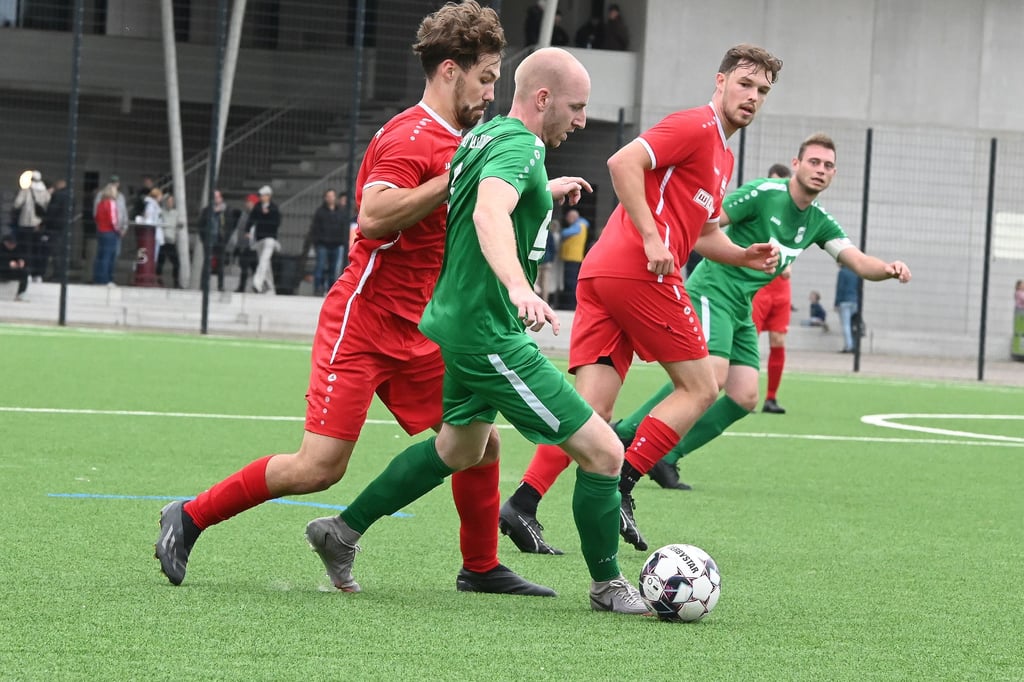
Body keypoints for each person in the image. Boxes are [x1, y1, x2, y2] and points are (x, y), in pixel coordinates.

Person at [155, 1, 551, 599]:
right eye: (485, 77)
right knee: (320, 467)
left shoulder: (462, 139)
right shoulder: (410, 135)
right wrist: (454, 177)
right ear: (450, 70)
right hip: (363, 322)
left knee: (479, 441)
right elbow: (371, 214)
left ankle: (480, 566)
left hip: (421, 328)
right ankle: (188, 516)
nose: (492, 92)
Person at [303, 46, 648, 614]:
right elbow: (488, 212)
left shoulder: (486, 139)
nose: (583, 120)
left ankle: (341, 531)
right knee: (605, 455)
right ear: (543, 99)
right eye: (578, 107)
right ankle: (608, 586)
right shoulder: (519, 145)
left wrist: (543, 191)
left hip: (454, 325)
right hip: (490, 332)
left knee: (460, 447)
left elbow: (475, 194)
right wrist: (518, 286)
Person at [499, 44, 785, 555]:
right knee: (700, 387)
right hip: (640, 272)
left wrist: (743, 256)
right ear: (720, 82)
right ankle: (624, 483)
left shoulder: (723, 153)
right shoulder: (696, 126)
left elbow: (703, 233)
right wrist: (653, 238)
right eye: (744, 84)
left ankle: (523, 503)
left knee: (590, 410)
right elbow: (622, 161)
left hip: (605, 273)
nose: (753, 97)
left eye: (762, 90)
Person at [601, 134, 911, 515]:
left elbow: (858, 261)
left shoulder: (816, 221)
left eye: (828, 166)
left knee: (744, 397)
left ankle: (668, 453)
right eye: (814, 162)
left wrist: (889, 269)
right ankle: (625, 434)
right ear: (796, 165)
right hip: (713, 289)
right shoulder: (764, 192)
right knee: (709, 380)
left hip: (742, 306)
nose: (820, 170)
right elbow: (707, 223)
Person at [751, 162, 793, 415]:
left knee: (778, 339)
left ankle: (771, 398)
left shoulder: (796, 213)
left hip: (781, 289)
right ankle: (747, 396)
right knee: (750, 341)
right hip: (759, 285)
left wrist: (787, 266)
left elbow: (793, 254)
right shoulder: (760, 209)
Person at [309, 189, 348, 296]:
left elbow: (343, 227)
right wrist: (317, 242)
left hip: (336, 243)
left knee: (333, 268)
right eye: (328, 196)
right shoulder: (320, 212)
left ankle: (331, 290)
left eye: (332, 196)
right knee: (320, 266)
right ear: (325, 198)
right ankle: (318, 289)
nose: (330, 198)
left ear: (335, 197)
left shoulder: (341, 212)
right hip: (323, 243)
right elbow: (315, 228)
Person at [12, 170, 49, 282]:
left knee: (26, 249)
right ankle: (37, 275)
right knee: (37, 249)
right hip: (39, 224)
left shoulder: (26, 190)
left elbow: (17, 204)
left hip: (26, 224)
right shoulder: (45, 192)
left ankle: (26, 273)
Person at [198, 190, 237, 292]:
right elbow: (201, 224)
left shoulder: (227, 210)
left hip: (220, 240)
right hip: (209, 239)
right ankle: (204, 285)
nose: (216, 199)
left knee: (220, 263)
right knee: (207, 262)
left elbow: (230, 225)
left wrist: (225, 239)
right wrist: (203, 239)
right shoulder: (207, 210)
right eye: (214, 197)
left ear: (221, 198)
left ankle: (220, 285)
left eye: (218, 197)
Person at [247, 185, 281, 294]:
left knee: (264, 260)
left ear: (268, 196)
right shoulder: (257, 207)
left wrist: (268, 213)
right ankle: (271, 287)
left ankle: (257, 282)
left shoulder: (274, 208)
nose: (261, 197)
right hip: (260, 238)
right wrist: (247, 230)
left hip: (270, 239)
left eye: (263, 195)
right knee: (266, 263)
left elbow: (277, 223)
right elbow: (251, 219)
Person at [92, 183, 123, 286]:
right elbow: (113, 219)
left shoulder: (100, 204)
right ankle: (106, 279)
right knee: (109, 257)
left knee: (100, 256)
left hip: (101, 231)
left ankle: (98, 278)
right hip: (110, 232)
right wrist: (118, 230)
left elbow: (96, 217)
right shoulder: (111, 203)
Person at [558, 207, 588, 308]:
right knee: (570, 281)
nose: (567, 219)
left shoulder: (579, 225)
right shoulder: (580, 225)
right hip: (572, 257)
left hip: (573, 257)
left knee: (570, 282)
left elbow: (564, 233)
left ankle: (571, 304)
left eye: (568, 217)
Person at [43, 178, 69, 281]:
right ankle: (61, 274)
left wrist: (45, 222)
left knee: (55, 251)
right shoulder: (70, 195)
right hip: (65, 228)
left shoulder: (58, 195)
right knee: (62, 251)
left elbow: (52, 211)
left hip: (55, 227)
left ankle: (57, 274)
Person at [157, 193, 183, 288]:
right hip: (162, 241)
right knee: (160, 262)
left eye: (172, 201)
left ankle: (176, 282)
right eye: (168, 201)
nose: (170, 203)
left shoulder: (176, 213)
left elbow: (178, 225)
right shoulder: (161, 212)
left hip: (171, 241)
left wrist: (179, 226)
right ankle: (158, 280)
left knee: (177, 263)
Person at [836, 262, 861, 352]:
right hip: (855, 301)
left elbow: (840, 288)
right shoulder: (856, 273)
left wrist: (837, 302)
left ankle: (848, 346)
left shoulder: (842, 272)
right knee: (852, 324)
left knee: (846, 325)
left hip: (844, 301)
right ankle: (854, 345)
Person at [1, 231, 30, 301]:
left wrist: (22, 261)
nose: (13, 245)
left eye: (14, 244)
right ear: (5, 242)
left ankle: (21, 294)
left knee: (24, 273)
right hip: (2, 272)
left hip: (11, 272)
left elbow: (22, 257)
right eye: (11, 243)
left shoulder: (16, 249)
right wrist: (8, 264)